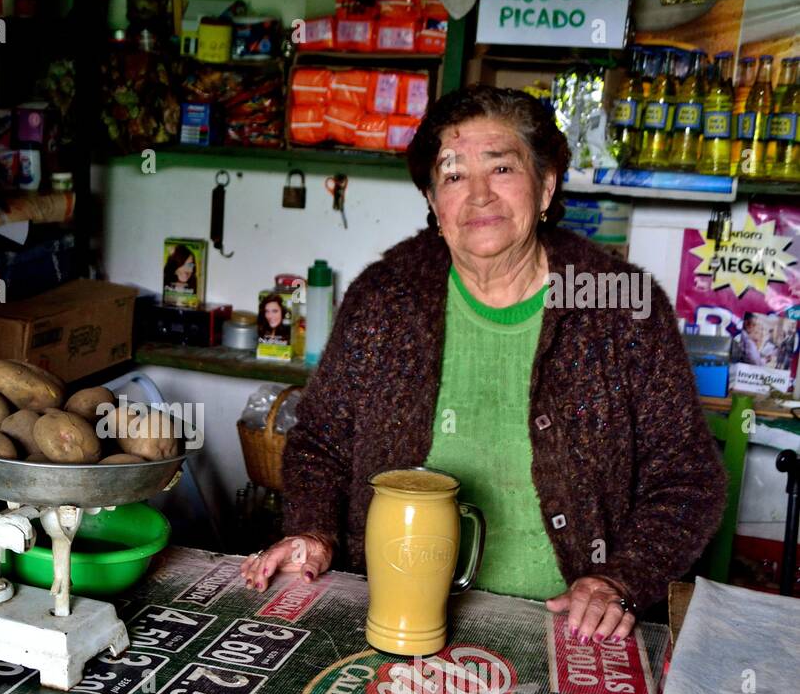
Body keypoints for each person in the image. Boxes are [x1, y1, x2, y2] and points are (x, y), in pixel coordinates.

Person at [240, 85, 726, 644]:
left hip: (566, 631)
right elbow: (322, 443)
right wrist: (313, 533)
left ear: (545, 185)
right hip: (393, 618)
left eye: (500, 169)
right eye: (452, 175)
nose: (478, 196)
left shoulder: (618, 304)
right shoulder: (384, 298)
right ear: (431, 200)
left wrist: (619, 580)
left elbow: (687, 478)